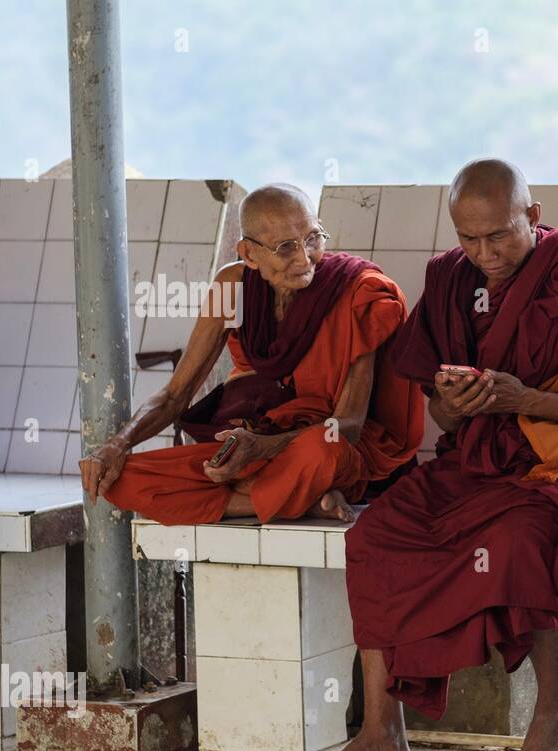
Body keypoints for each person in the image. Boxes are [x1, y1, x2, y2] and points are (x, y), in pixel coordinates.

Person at [296, 159, 558, 751]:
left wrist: (520, 400)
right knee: (373, 538)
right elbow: (443, 415)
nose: (485, 254)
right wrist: (458, 399)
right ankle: (381, 732)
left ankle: (554, 707)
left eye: (499, 236)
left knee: (521, 539)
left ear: (532, 216)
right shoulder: (452, 279)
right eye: (469, 239)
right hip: (482, 460)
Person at [80, 183, 423, 525]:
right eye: (286, 247)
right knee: (122, 479)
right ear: (249, 253)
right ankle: (299, 500)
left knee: (321, 449)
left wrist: (263, 446)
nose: (305, 259)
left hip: (321, 449)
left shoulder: (359, 291)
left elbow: (347, 426)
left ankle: (270, 493)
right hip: (257, 444)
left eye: (313, 238)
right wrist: (117, 444)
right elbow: (175, 395)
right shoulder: (235, 288)